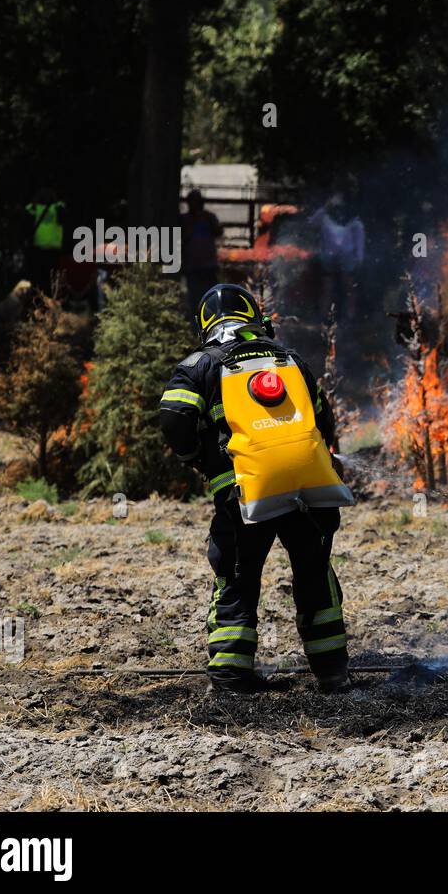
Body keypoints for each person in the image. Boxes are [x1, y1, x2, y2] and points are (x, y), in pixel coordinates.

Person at [159, 284, 355, 693]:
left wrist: (195, 457)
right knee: (314, 574)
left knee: (236, 577)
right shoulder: (289, 359)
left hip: (243, 493)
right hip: (308, 491)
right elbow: (323, 418)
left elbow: (175, 417)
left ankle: (231, 677)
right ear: (255, 316)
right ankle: (333, 674)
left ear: (206, 325)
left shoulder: (199, 364)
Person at [308, 193, 365, 323]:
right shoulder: (325, 218)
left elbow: (359, 240)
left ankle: (350, 317)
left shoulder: (355, 222)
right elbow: (312, 222)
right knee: (327, 288)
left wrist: (359, 259)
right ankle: (324, 318)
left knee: (349, 287)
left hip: (347, 257)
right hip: (329, 257)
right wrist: (326, 206)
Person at [179, 190, 223, 308]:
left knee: (210, 294)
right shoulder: (184, 220)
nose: (195, 204)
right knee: (194, 296)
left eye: (197, 202)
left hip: (208, 264)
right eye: (192, 202)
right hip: (192, 265)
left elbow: (218, 231)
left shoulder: (209, 217)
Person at [24, 186, 66, 293]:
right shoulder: (58, 208)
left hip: (38, 249)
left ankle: (37, 302)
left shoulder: (34, 208)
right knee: (51, 281)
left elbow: (26, 217)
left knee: (38, 280)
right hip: (53, 250)